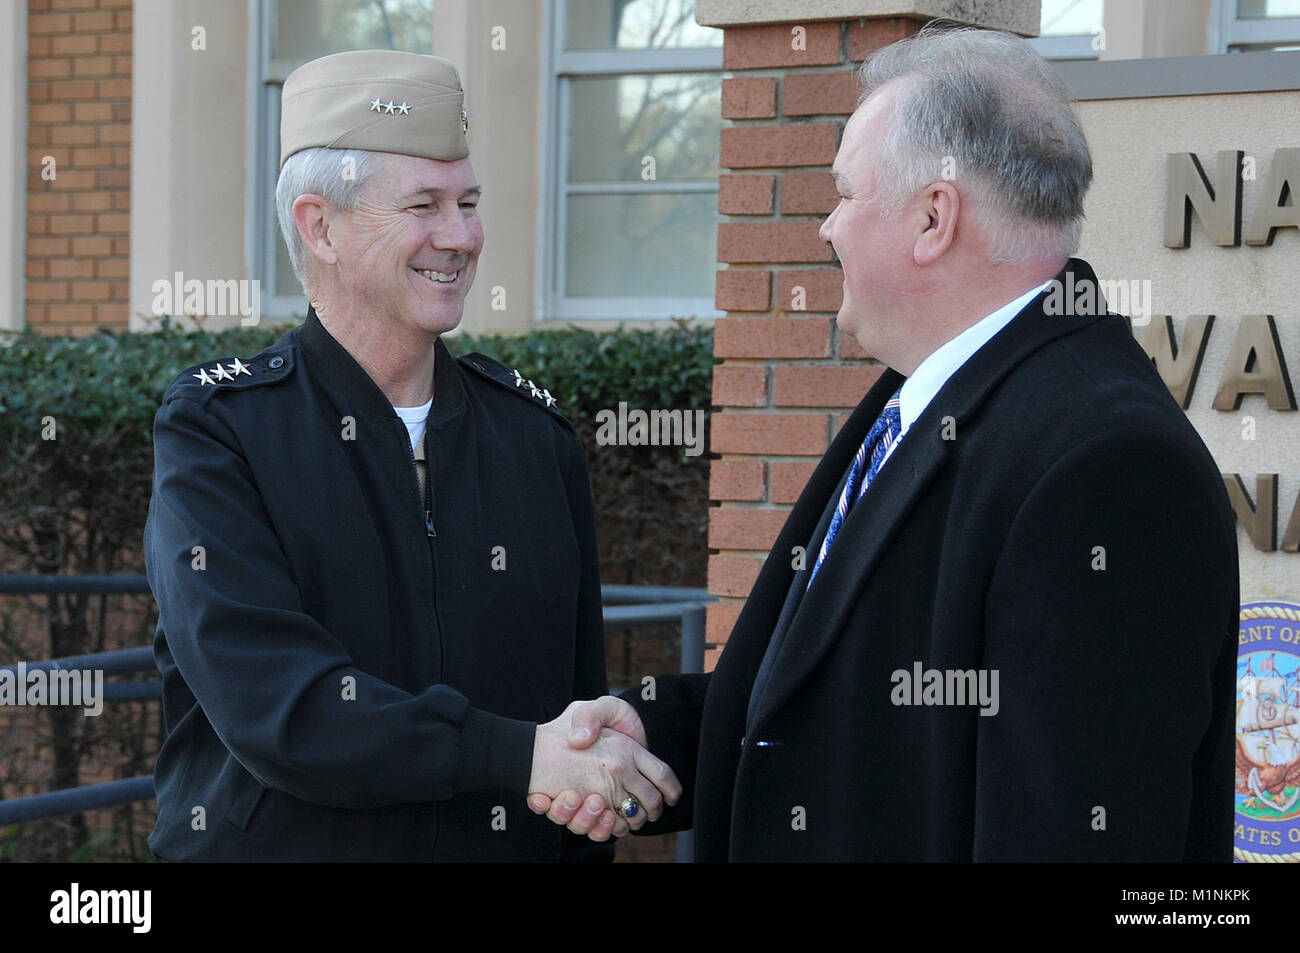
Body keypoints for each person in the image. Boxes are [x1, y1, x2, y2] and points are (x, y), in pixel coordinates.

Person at [529, 25, 1239, 861]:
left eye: (843, 193)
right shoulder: (928, 393)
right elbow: (841, 696)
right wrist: (650, 732)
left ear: (934, 216)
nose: (826, 229)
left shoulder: (1110, 466)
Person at [144, 49, 678, 862]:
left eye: (468, 201)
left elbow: (571, 712)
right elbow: (282, 708)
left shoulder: (534, 438)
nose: (460, 236)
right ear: (320, 226)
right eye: (424, 205)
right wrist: (515, 753)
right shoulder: (221, 434)